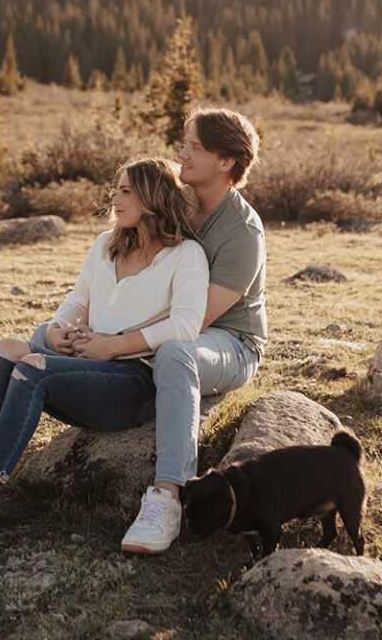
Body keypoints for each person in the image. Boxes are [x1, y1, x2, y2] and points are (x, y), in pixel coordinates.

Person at [0, 156, 208, 541]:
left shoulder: (186, 255)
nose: (114, 198)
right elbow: (76, 302)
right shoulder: (106, 245)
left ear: (153, 197)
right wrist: (56, 332)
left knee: (34, 369)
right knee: (9, 349)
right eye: (116, 189)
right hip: (84, 365)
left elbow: (185, 325)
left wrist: (113, 347)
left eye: (126, 191)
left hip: (133, 381)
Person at [116, 107, 267, 554]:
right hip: (168, 324)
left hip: (230, 343)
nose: (182, 153)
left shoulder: (242, 231)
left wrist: (117, 340)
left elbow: (196, 320)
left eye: (195, 147)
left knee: (174, 353)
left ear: (226, 162)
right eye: (185, 143)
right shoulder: (176, 203)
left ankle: (168, 496)